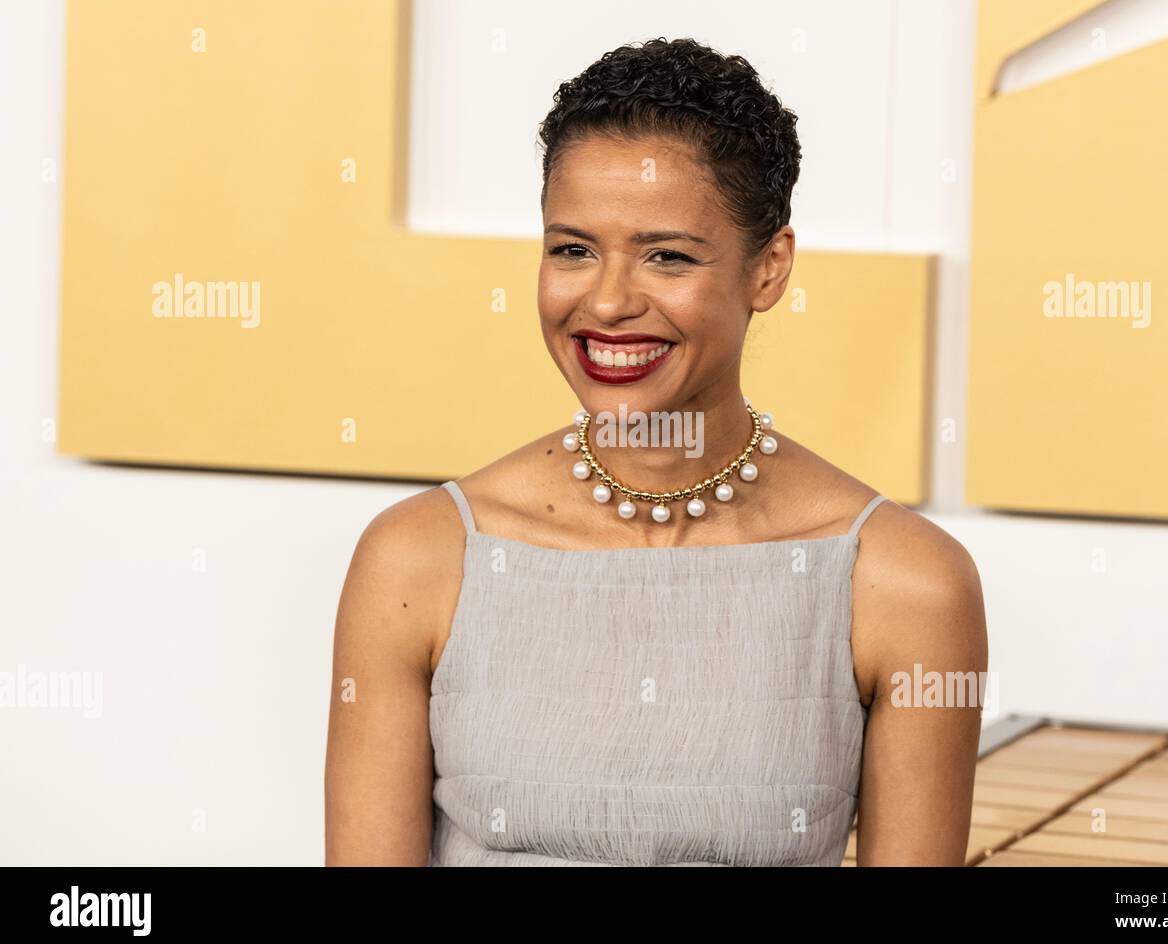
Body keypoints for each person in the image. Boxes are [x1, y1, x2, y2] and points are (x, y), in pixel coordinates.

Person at [325, 37, 987, 866]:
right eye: (573, 250)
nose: (606, 301)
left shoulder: (904, 583)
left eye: (666, 256)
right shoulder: (419, 559)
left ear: (769, 269)